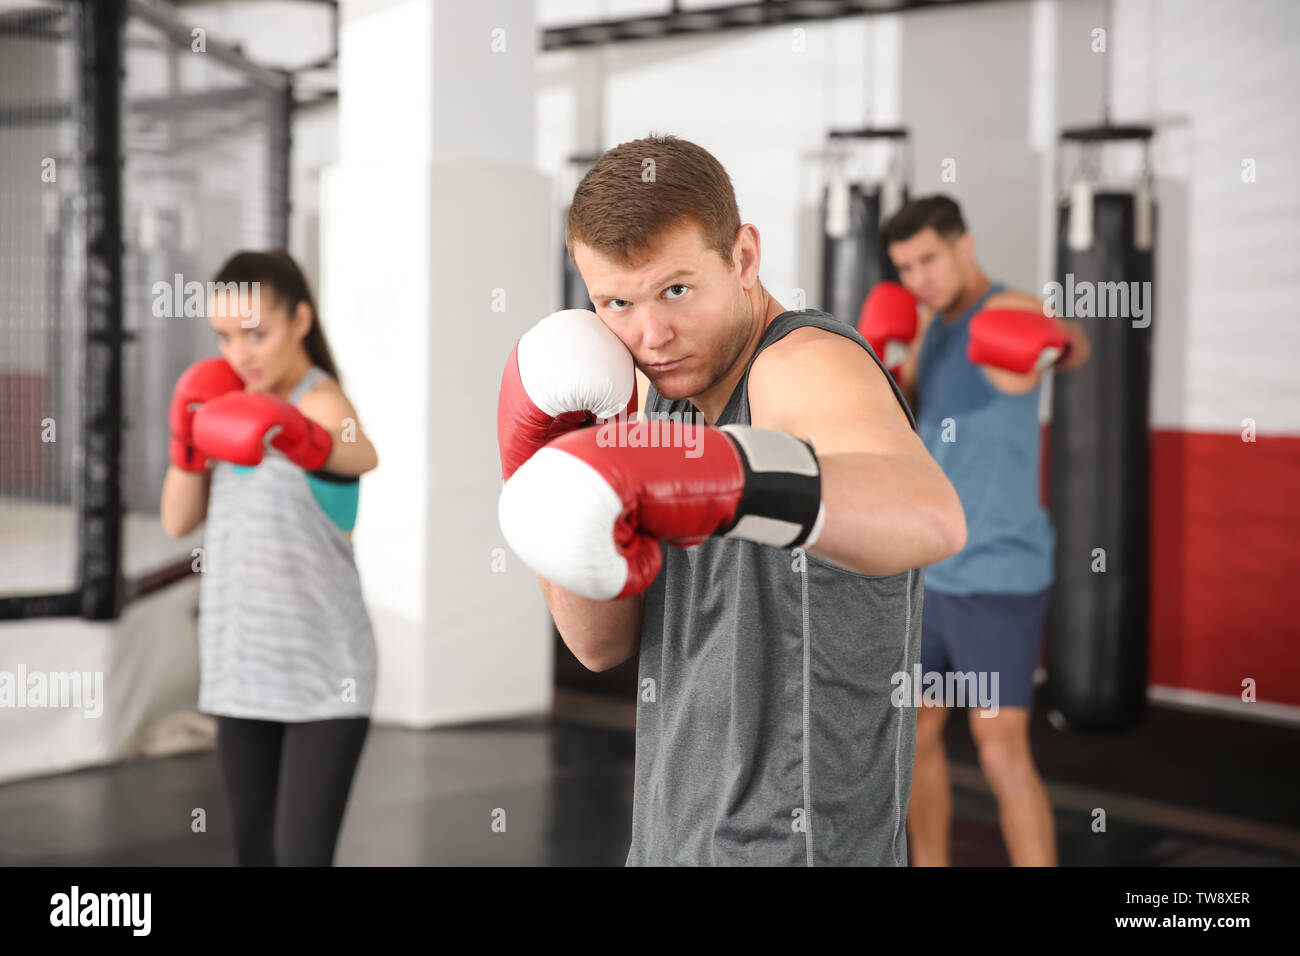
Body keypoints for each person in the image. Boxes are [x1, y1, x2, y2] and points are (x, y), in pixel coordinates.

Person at [497, 134, 967, 865]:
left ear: (744, 257)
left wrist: (733, 479)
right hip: (668, 838)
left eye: (675, 290)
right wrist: (543, 460)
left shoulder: (800, 366)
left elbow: (930, 513)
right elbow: (599, 645)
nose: (650, 334)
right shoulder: (655, 403)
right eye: (616, 302)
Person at [861, 195, 1091, 866]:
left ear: (964, 245)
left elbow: (1075, 345)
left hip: (998, 571)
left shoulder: (1009, 310)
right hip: (931, 567)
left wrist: (1057, 343)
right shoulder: (930, 325)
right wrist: (883, 359)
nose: (917, 278)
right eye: (904, 267)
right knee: (915, 737)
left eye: (928, 258)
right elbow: (910, 412)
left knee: (999, 750)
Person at [160, 249, 380, 866]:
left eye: (257, 333)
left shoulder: (319, 400)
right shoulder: (220, 406)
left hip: (323, 673)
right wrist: (187, 439)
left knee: (299, 856)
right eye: (225, 336)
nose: (240, 353)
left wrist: (290, 429)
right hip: (240, 666)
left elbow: (360, 453)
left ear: (300, 320)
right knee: (253, 851)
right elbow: (178, 520)